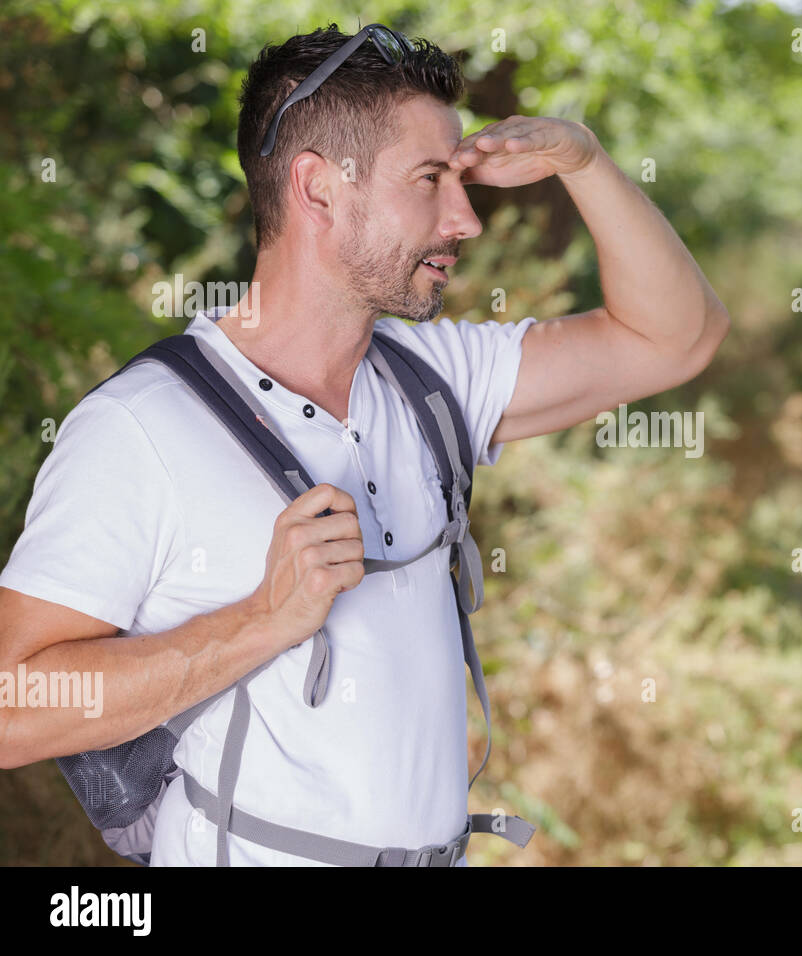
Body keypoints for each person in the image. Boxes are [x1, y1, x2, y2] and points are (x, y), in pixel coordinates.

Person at [0, 23, 729, 865]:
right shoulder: (141, 429)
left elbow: (676, 338)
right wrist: (258, 622)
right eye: (429, 180)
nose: (466, 220)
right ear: (318, 188)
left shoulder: (432, 379)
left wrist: (585, 163)